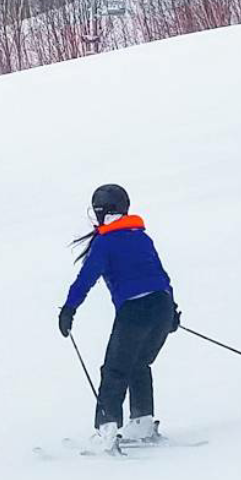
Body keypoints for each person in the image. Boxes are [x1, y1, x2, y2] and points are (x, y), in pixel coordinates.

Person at [58, 183, 179, 452]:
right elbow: (160, 275)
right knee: (139, 364)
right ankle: (143, 421)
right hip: (161, 304)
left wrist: (69, 309)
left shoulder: (104, 243)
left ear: (101, 212)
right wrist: (172, 312)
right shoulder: (141, 237)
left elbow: (85, 280)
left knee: (114, 370)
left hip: (134, 311)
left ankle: (108, 429)